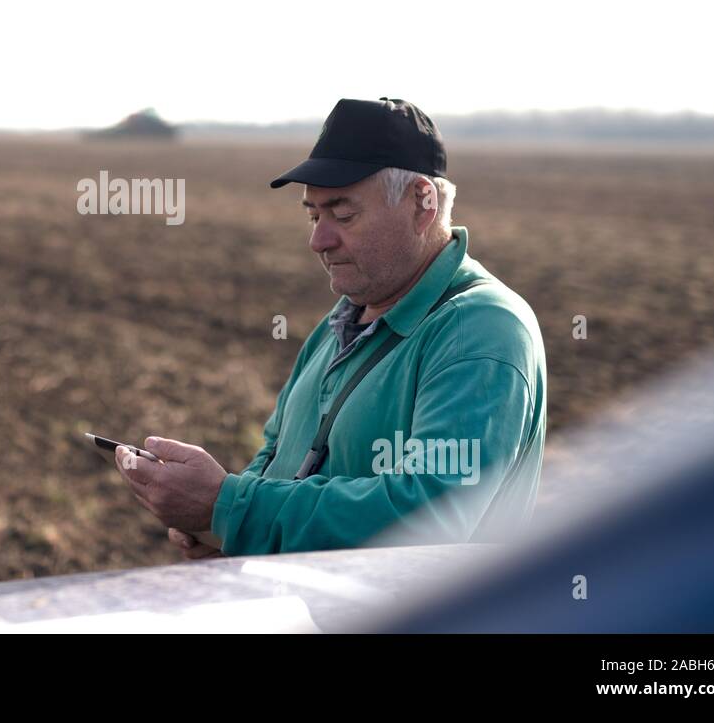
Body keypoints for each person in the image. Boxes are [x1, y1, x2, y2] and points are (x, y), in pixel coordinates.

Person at [115, 97, 547, 558]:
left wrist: (228, 508)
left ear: (423, 204)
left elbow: (429, 516)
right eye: (313, 215)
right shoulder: (341, 322)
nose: (319, 240)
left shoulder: (480, 330)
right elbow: (279, 455)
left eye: (343, 215)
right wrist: (225, 533)